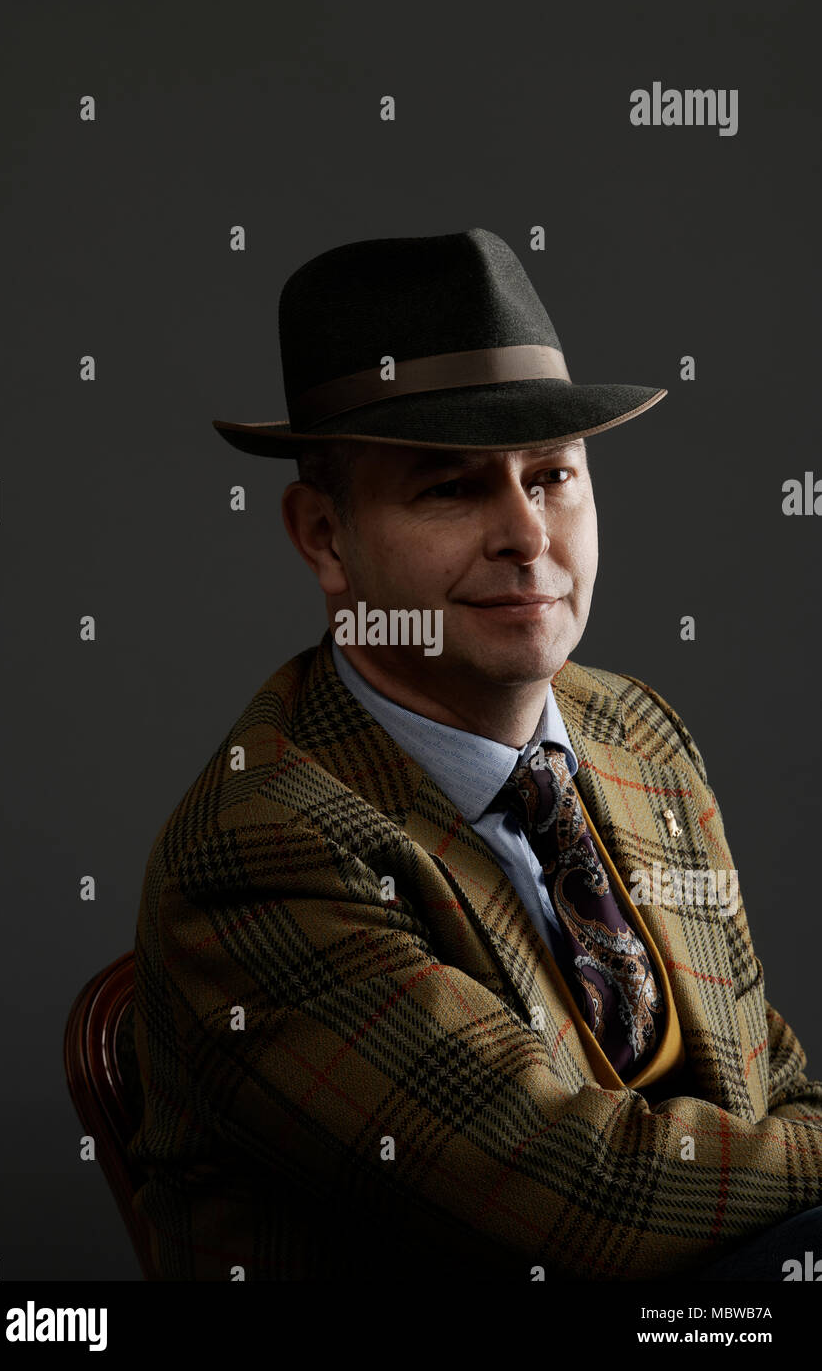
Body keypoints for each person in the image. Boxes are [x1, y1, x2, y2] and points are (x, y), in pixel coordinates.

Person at [128, 228, 822, 1282]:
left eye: (551, 476)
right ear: (322, 534)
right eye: (451, 488)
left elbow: (768, 1076)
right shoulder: (258, 843)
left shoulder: (634, 733)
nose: (525, 537)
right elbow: (579, 1197)